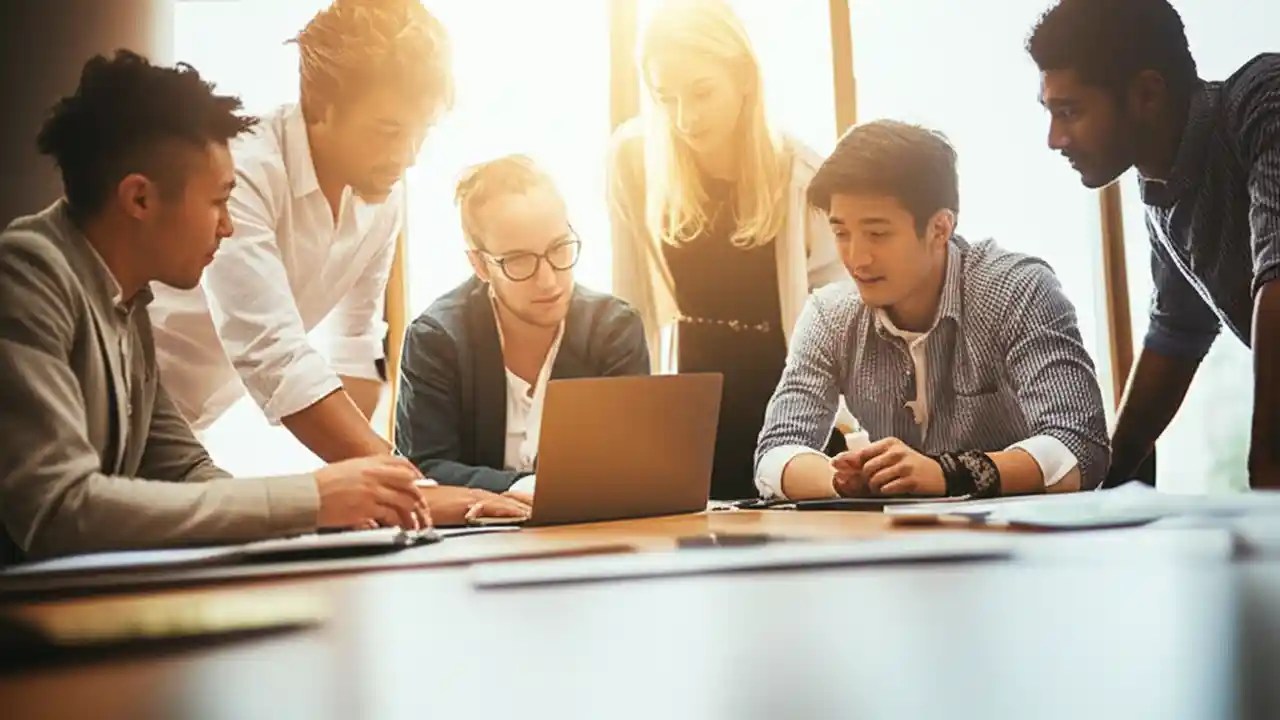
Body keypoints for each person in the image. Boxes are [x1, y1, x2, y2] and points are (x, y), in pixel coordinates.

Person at [0, 51, 442, 562]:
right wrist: (313, 499)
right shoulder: (28, 275)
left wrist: (328, 522)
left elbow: (186, 469)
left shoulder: (127, 300)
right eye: (218, 202)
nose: (228, 227)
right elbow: (60, 509)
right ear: (139, 199)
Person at [149, 0, 452, 462]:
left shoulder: (383, 192)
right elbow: (272, 351)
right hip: (100, 403)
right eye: (388, 131)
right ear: (321, 107)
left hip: (180, 430)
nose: (408, 155)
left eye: (422, 131)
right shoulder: (244, 172)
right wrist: (403, 481)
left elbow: (356, 345)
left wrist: (367, 481)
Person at [754, 120, 1110, 500]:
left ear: (940, 228)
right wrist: (848, 483)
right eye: (841, 232)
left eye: (877, 233)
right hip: (901, 545)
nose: (856, 258)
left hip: (1023, 543)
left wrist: (948, 474)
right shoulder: (830, 315)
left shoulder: (1017, 290)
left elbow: (1079, 444)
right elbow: (775, 454)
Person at [1028, 0, 1280, 487]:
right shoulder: (1165, 196)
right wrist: (1109, 493)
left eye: (1070, 111)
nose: (1055, 138)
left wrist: (1268, 479)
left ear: (1146, 94)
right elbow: (1174, 338)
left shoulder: (1263, 98)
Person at [607, 0, 844, 500]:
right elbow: (631, 307)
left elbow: (837, 320)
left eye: (700, 93)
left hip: (788, 401)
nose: (683, 118)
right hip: (694, 401)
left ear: (742, 79)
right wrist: (626, 429)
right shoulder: (633, 161)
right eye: (665, 97)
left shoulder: (803, 176)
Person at [396, 155, 648, 501]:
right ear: (481, 265)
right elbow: (424, 468)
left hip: (587, 534)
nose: (548, 280)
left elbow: (632, 461)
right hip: (470, 540)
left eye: (559, 249)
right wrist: (519, 488)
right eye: (519, 260)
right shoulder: (437, 339)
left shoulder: (613, 329)